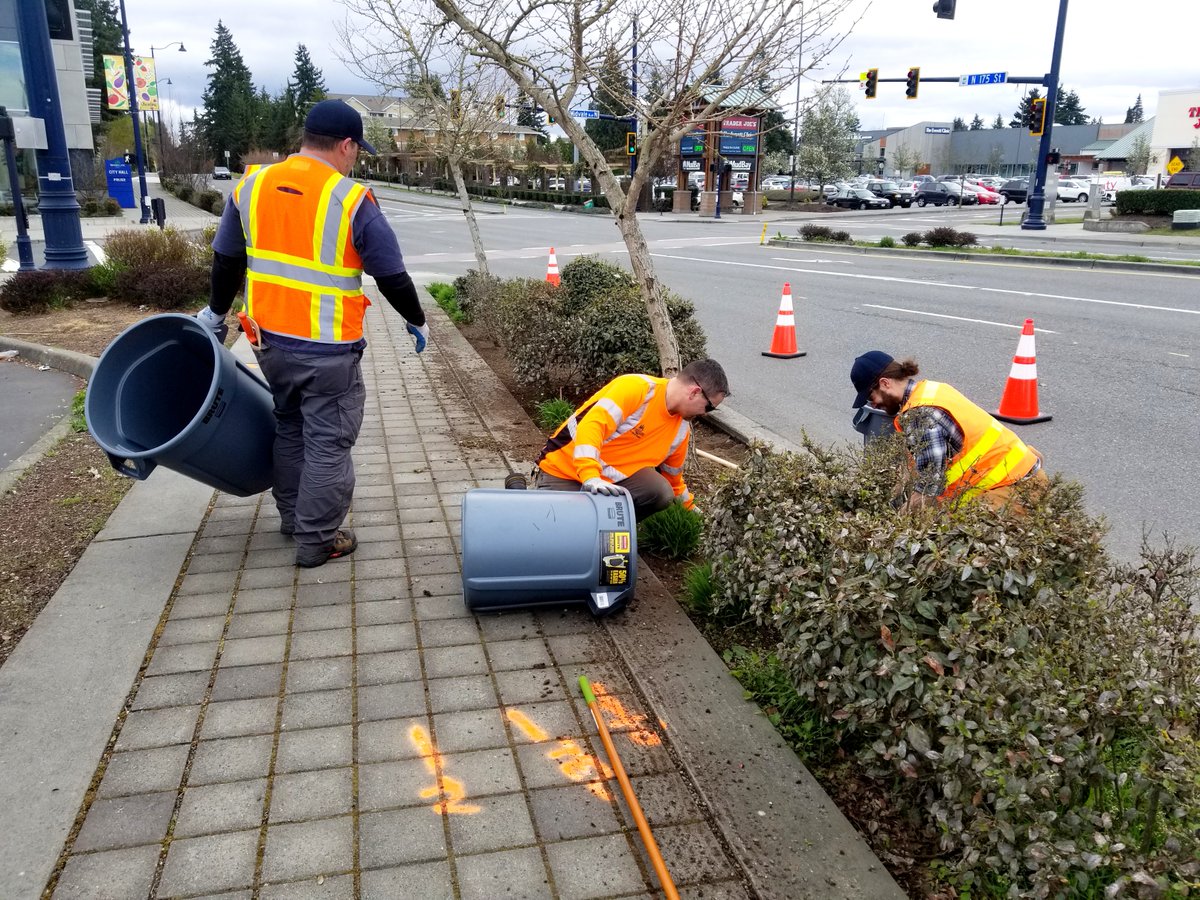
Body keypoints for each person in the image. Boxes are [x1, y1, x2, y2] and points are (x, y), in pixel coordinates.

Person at [196, 99, 429, 568]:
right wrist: (415, 319)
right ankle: (317, 540)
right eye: (355, 150)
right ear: (345, 145)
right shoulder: (351, 198)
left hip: (267, 341)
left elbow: (227, 260)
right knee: (328, 440)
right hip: (327, 350)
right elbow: (392, 275)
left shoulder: (251, 186)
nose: (355, 158)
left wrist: (215, 312)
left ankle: (292, 519)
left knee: (290, 426)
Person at [850, 351, 1046, 512]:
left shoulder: (920, 415)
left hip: (1013, 492)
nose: (873, 403)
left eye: (871, 396)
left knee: (948, 537)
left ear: (885, 383)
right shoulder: (930, 390)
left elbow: (928, 489)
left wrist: (894, 527)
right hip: (1022, 476)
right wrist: (894, 499)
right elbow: (917, 469)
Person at [534, 359, 729, 521]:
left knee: (661, 492)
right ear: (695, 392)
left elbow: (673, 479)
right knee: (557, 534)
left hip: (608, 482)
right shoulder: (638, 389)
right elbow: (592, 426)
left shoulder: (681, 428)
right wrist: (590, 476)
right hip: (563, 472)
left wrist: (693, 511)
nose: (706, 414)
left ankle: (610, 528)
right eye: (709, 407)